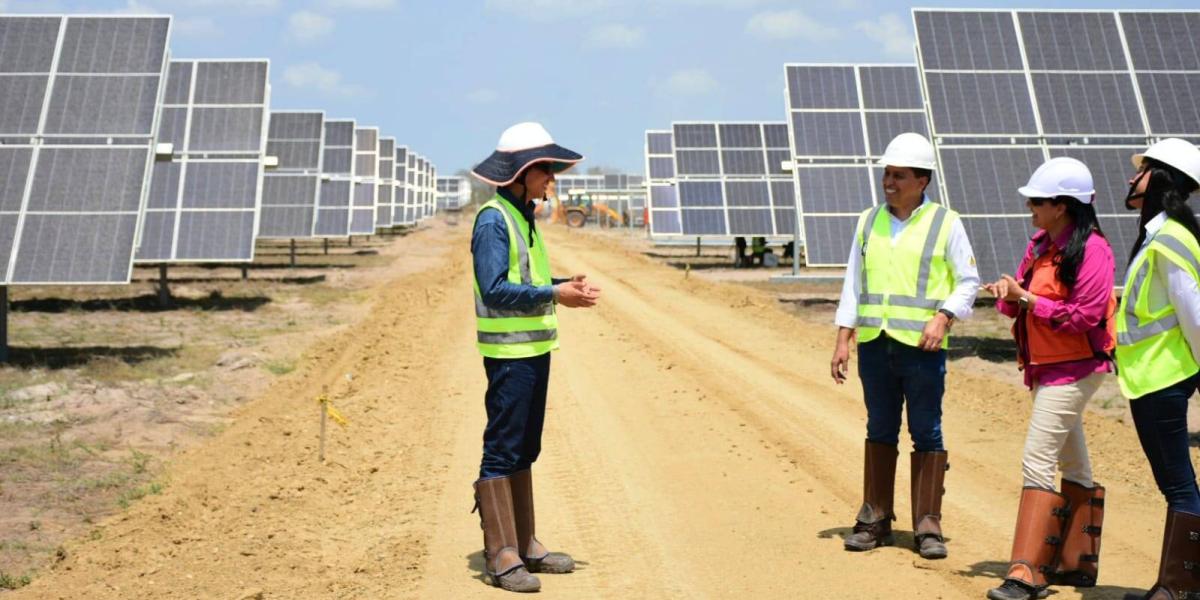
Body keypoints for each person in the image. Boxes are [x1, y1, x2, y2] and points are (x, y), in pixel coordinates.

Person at [830, 132, 980, 560]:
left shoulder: (946, 223)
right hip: (876, 344)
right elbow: (853, 285)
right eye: (886, 174)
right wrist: (844, 337)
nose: (888, 182)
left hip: (922, 348)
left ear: (922, 180)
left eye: (899, 175)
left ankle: (927, 526)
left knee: (926, 431)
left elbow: (968, 281)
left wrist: (943, 315)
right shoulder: (867, 220)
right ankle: (874, 518)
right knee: (879, 429)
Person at [468, 122, 601, 593]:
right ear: (523, 172)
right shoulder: (493, 219)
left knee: (526, 446)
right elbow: (495, 288)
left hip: (532, 349)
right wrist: (554, 294)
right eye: (546, 169)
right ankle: (501, 554)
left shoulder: (521, 215)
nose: (552, 179)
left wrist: (563, 284)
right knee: (502, 448)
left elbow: (525, 278)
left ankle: (525, 543)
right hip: (509, 355)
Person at [982, 158, 1115, 600]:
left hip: (1075, 369)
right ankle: (1076, 561)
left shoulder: (1094, 251)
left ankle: (1027, 571)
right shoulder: (1040, 244)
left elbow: (1086, 316)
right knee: (1073, 462)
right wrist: (1008, 296)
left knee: (1037, 458)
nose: (1029, 208)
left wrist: (1030, 301)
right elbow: (1021, 302)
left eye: (1037, 201)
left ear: (1062, 206)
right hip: (1045, 367)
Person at [1113, 138, 1200, 600]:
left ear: (1161, 177)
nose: (1132, 177)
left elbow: (1195, 315)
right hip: (1153, 377)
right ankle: (1174, 586)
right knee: (1177, 486)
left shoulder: (1169, 239)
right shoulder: (1162, 234)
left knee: (1180, 487)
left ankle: (1178, 590)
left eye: (1142, 169)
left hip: (1163, 377)